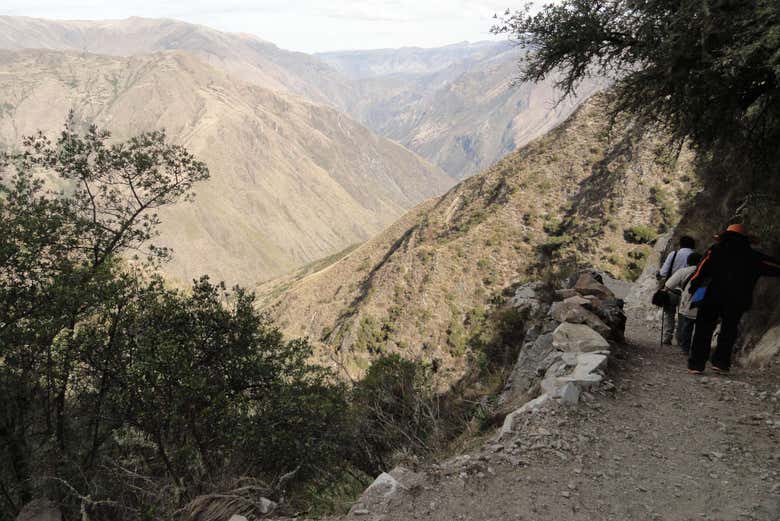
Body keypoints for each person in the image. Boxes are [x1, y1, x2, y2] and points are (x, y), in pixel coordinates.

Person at [687, 224, 780, 374]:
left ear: (725, 237)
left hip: (712, 297)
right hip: (737, 300)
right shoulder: (753, 256)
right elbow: (774, 266)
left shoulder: (715, 250)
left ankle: (696, 365)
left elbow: (700, 271)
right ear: (745, 240)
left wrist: (694, 286)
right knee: (729, 331)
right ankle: (721, 363)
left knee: (703, 329)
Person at [657, 236, 697, 344]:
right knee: (683, 316)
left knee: (669, 313)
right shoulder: (696, 257)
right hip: (688, 292)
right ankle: (680, 339)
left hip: (672, 289)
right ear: (693, 246)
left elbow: (663, 272)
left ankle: (667, 337)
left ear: (680, 244)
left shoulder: (673, 254)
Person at [664, 252, 703, 354]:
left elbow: (668, 285)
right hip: (701, 300)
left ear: (688, 261)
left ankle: (681, 345)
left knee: (686, 322)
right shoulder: (706, 272)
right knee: (697, 324)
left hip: (686, 299)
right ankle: (693, 346)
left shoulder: (683, 271)